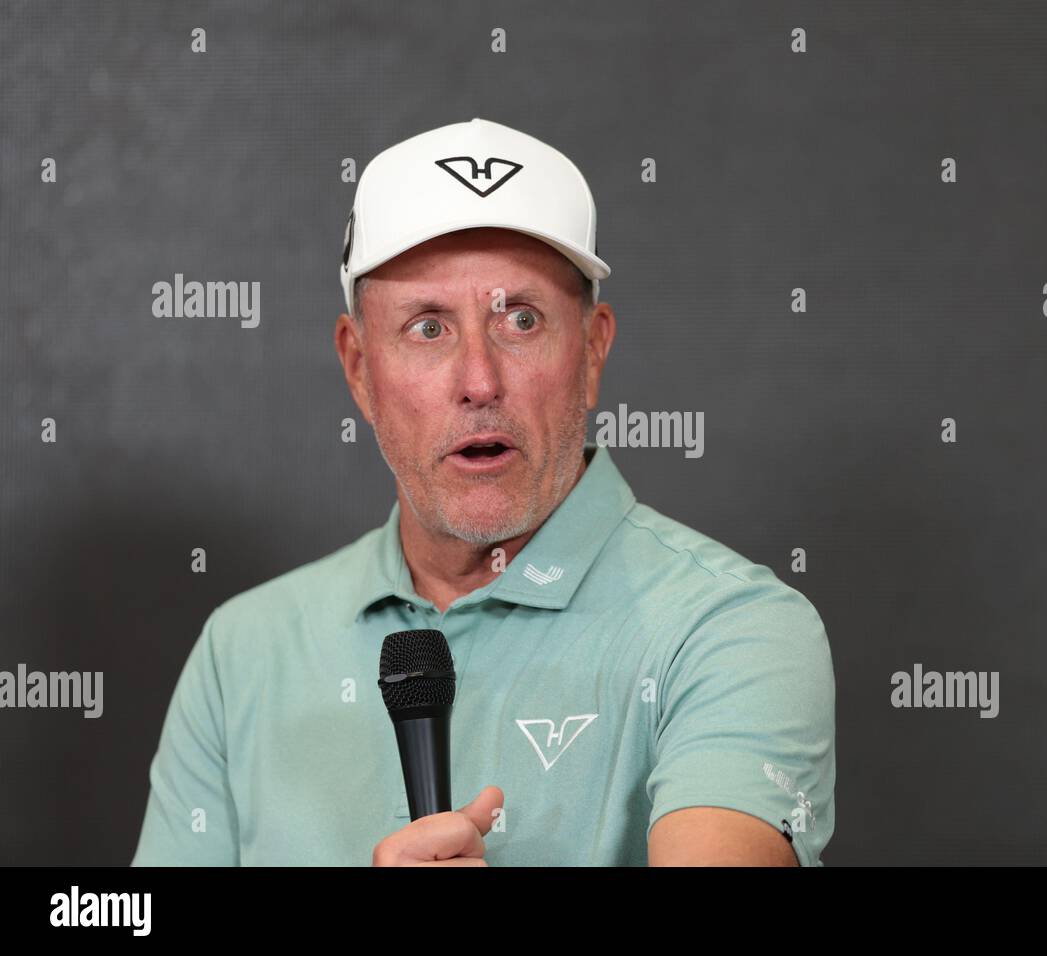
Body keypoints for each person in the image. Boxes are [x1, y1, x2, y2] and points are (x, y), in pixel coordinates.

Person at [130, 117, 835, 866]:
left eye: (521, 320)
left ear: (593, 351)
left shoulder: (729, 631)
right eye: (428, 327)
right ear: (360, 369)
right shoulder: (242, 652)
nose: (479, 381)